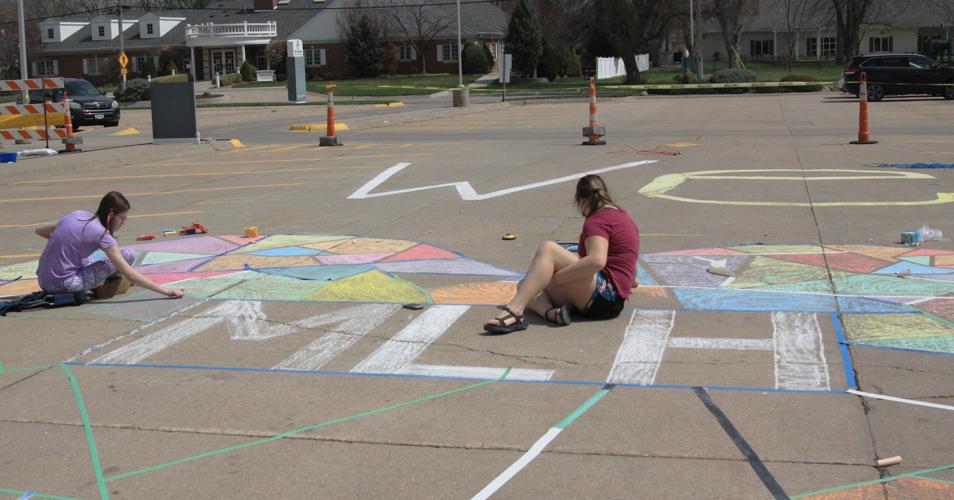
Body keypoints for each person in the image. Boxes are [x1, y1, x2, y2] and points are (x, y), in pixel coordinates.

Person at [484, 175, 638, 333]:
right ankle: (552, 314)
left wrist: (561, 277)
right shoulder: (623, 217)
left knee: (548, 249)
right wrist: (629, 280)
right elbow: (627, 259)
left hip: (603, 298)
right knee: (525, 286)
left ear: (581, 200)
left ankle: (514, 310)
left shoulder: (597, 221)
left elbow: (597, 261)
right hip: (611, 301)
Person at [34, 191, 184, 299]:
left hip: (43, 279)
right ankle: (111, 285)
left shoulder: (76, 215)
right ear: (111, 215)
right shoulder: (102, 235)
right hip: (65, 285)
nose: (124, 222)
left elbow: (40, 231)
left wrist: (67, 246)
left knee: (86, 259)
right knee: (127, 255)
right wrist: (167, 291)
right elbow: (129, 273)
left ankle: (103, 282)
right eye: (122, 218)